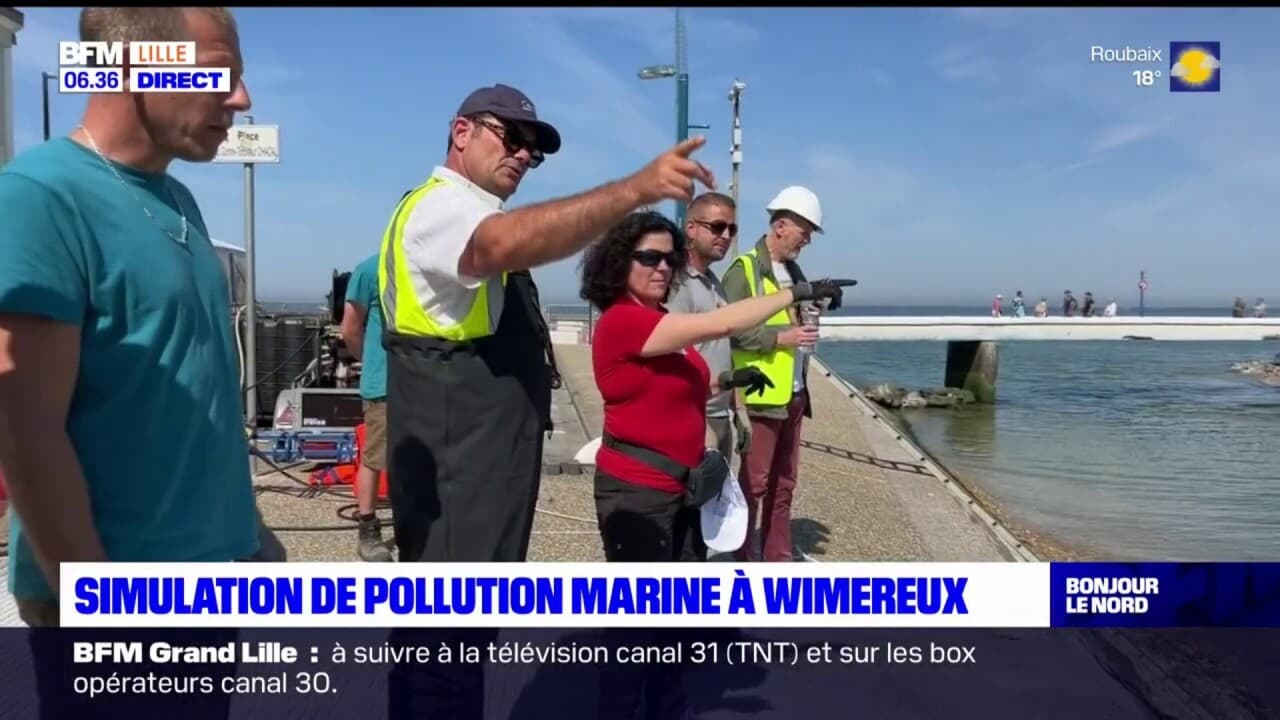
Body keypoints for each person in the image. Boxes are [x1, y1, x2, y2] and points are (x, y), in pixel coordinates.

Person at [376, 82, 715, 718]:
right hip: (459, 487)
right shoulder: (443, 210)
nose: (525, 155)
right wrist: (635, 190)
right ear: (462, 132)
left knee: (457, 649)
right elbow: (504, 244)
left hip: (480, 485)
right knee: (443, 658)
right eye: (512, 137)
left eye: (534, 149)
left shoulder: (466, 213)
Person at [0, 6, 265, 717]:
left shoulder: (178, 201)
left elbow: (191, 387)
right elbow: (25, 432)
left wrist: (251, 540)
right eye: (220, 74)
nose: (239, 100)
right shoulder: (40, 196)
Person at [580, 209, 848, 718]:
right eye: (649, 258)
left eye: (669, 258)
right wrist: (798, 291)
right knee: (637, 627)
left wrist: (732, 384)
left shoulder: (658, 324)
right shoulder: (622, 320)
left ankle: (668, 709)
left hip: (682, 490)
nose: (663, 268)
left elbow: (685, 386)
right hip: (637, 493)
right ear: (619, 263)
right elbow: (721, 322)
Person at [722, 185, 846, 563]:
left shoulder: (794, 272)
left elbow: (793, 319)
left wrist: (812, 312)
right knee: (753, 485)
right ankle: (743, 560)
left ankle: (778, 558)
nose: (807, 240)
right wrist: (783, 336)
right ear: (780, 226)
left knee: (784, 484)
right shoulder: (743, 271)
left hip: (793, 394)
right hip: (760, 397)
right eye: (804, 231)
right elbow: (727, 328)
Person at [665, 191, 751, 459]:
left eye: (731, 229)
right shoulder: (677, 283)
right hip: (692, 417)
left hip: (718, 414)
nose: (725, 235)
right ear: (691, 228)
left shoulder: (715, 282)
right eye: (717, 227)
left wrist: (740, 409)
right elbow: (670, 357)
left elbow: (723, 351)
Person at [339, 253, 393, 562]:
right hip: (384, 385)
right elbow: (350, 328)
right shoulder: (369, 270)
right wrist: (371, 362)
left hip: (422, 382)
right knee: (375, 457)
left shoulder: (424, 264)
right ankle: (368, 530)